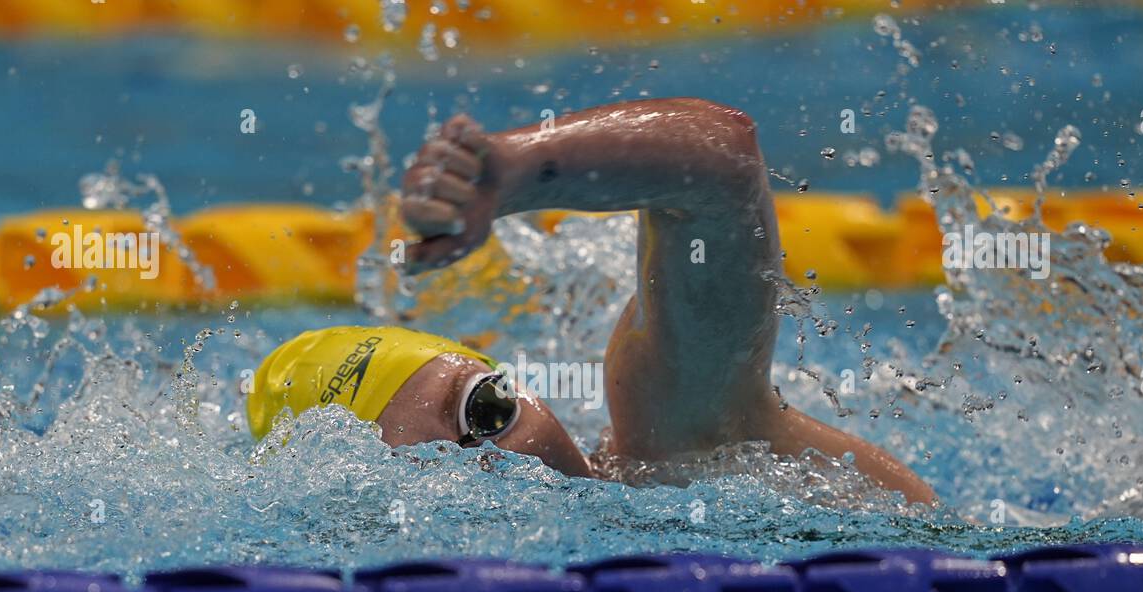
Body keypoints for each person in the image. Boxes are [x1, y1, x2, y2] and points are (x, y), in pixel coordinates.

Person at [248, 98, 936, 505]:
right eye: (438, 465)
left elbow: (722, 162)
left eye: (486, 406)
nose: (497, 460)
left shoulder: (673, 439)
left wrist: (516, 171)